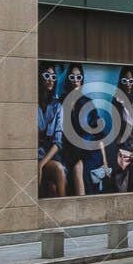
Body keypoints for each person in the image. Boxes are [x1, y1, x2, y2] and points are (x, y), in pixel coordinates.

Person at [58, 63, 102, 196]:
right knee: (75, 166)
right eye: (72, 77)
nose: (76, 80)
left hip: (88, 149)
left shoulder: (88, 102)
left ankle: (82, 207)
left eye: (79, 77)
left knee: (79, 167)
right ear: (68, 79)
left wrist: (105, 160)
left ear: (82, 79)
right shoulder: (60, 102)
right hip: (68, 149)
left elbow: (97, 133)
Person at [37, 62, 68, 198]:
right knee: (53, 183)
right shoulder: (30, 103)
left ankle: (64, 212)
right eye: (47, 75)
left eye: (54, 77)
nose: (50, 80)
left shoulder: (57, 106)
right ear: (40, 77)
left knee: (56, 181)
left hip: (49, 155)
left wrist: (41, 165)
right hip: (32, 153)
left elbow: (58, 142)